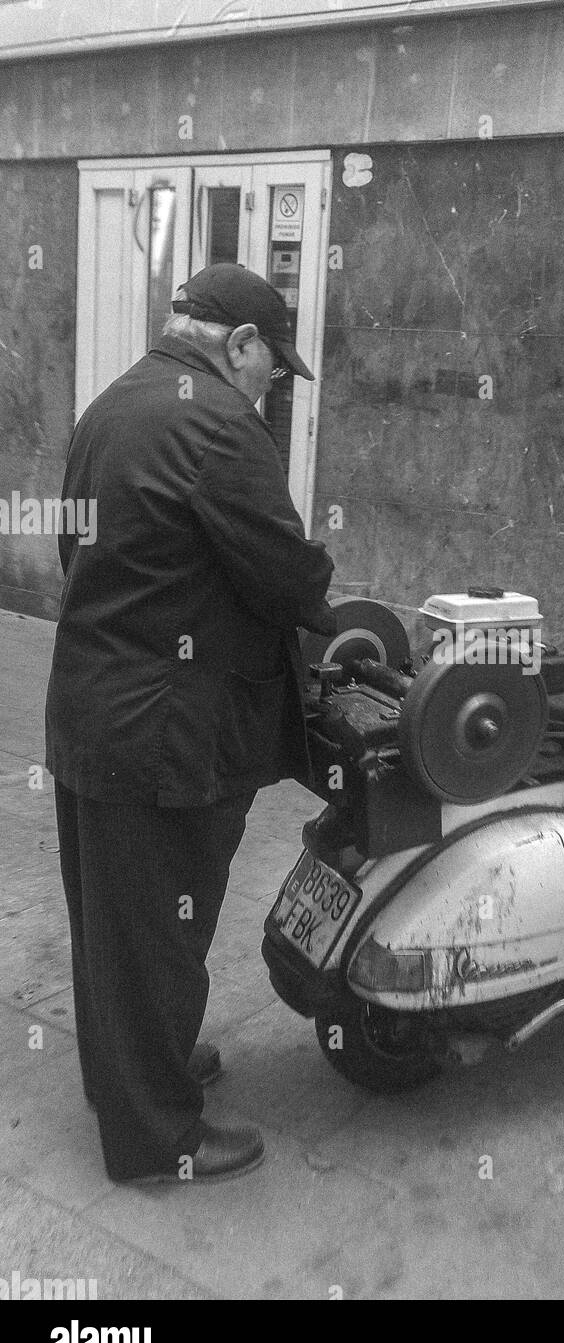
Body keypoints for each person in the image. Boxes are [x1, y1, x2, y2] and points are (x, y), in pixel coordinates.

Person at [45, 264, 337, 1184]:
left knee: (114, 926)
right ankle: (155, 1138)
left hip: (94, 710)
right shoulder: (220, 424)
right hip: (169, 732)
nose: (271, 384)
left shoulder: (112, 406)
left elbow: (74, 550)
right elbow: (282, 577)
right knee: (163, 929)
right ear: (240, 345)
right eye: (271, 365)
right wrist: (324, 597)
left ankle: (131, 1073)